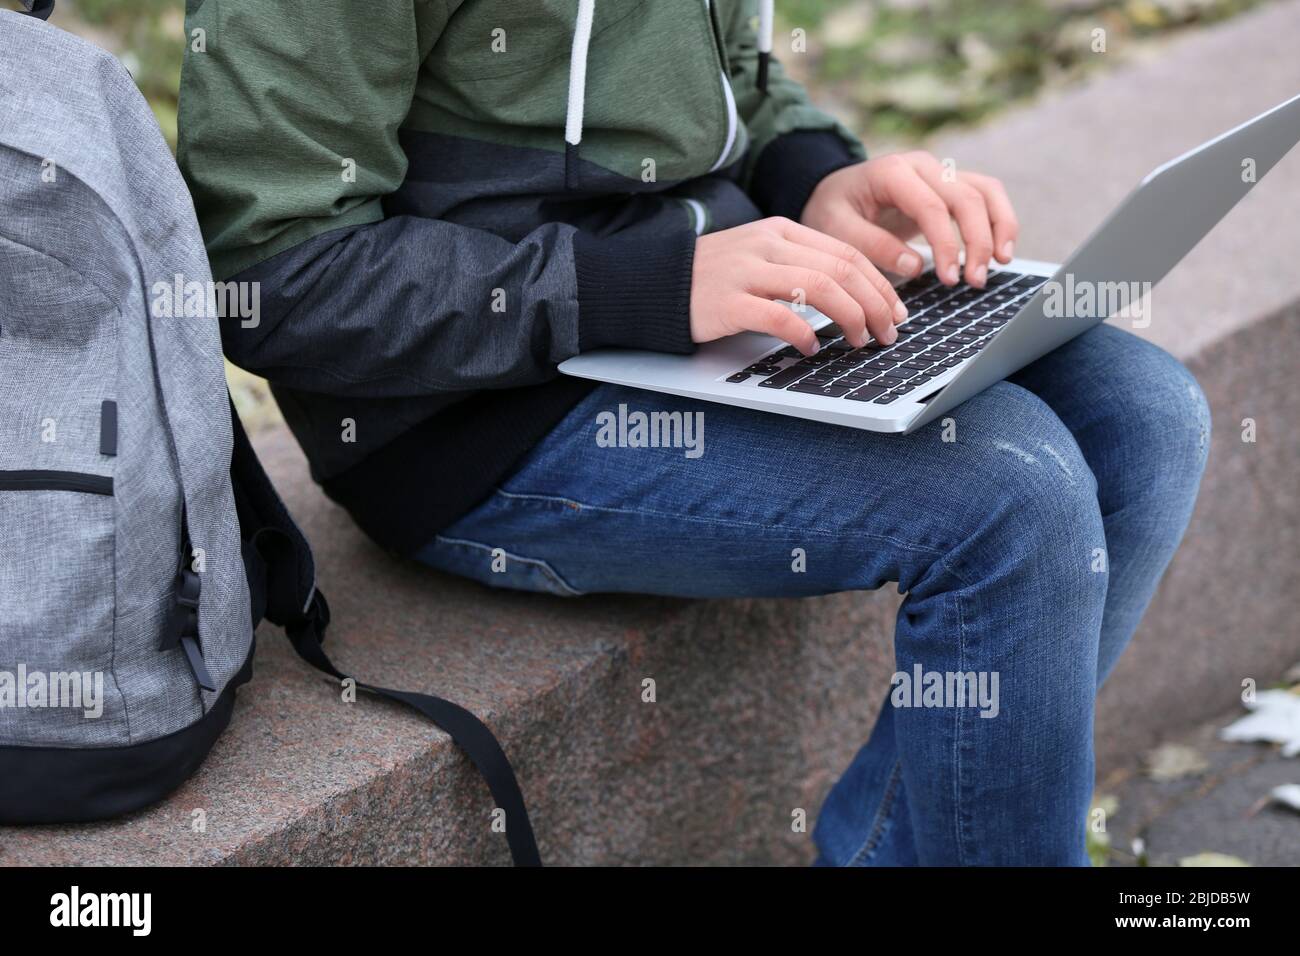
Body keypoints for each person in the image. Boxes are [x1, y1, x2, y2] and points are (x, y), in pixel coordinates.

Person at [178, 0, 1209, 865]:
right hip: (465, 412)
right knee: (1010, 495)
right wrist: (638, 288)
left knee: (1142, 418)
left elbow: (722, 75)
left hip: (707, 296)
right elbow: (273, 275)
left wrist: (816, 175)